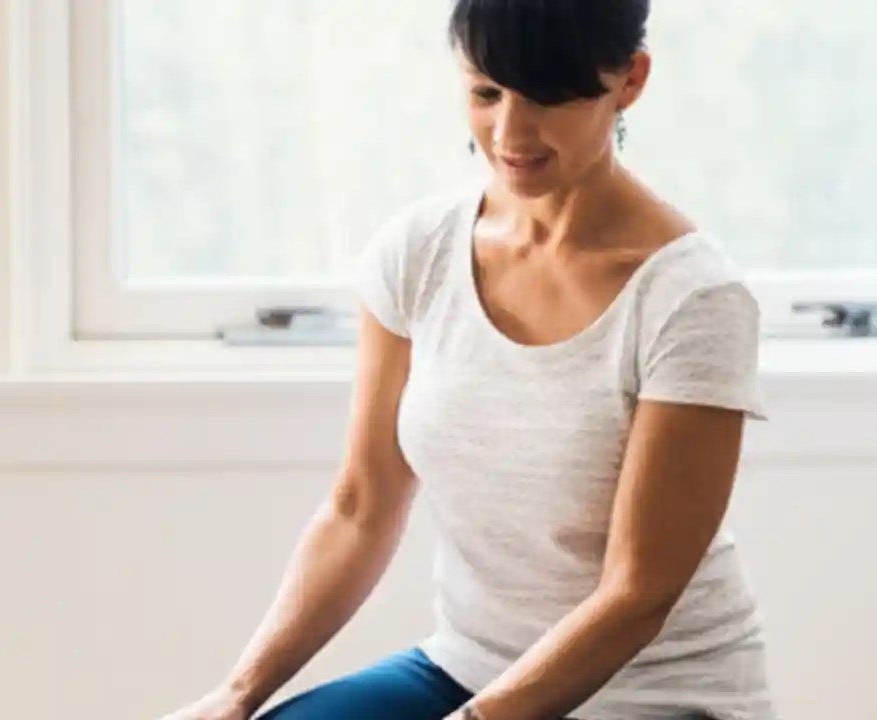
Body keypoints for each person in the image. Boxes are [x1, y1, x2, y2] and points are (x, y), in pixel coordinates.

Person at [160, 1, 775, 718]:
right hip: (468, 667)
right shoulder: (418, 252)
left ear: (631, 79)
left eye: (546, 95)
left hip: (654, 693)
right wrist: (238, 694)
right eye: (485, 93)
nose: (509, 133)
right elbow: (362, 506)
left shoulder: (691, 298)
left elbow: (637, 593)